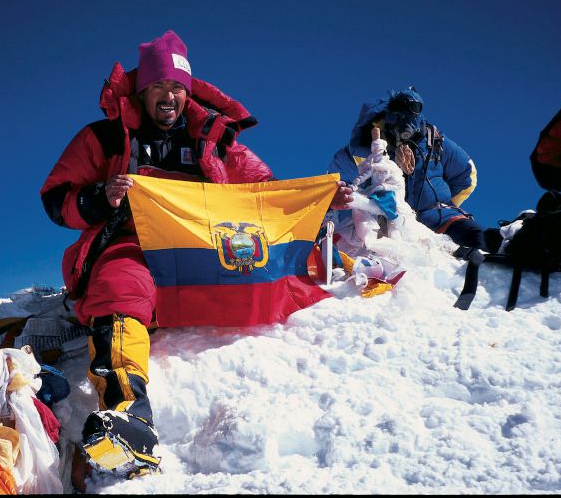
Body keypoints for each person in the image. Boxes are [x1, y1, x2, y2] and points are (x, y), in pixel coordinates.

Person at [40, 30, 353, 480]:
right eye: (160, 87)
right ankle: (130, 417)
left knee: (266, 265)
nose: (170, 96)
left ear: (188, 93)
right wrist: (101, 197)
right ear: (142, 91)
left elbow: (263, 191)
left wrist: (318, 200)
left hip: (206, 246)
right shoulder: (105, 139)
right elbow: (57, 199)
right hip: (133, 243)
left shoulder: (216, 138)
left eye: (178, 88)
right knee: (119, 289)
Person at [328, 87, 485, 251]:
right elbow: (336, 185)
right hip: (387, 223)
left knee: (477, 238)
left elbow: (467, 175)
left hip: (439, 218)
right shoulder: (362, 152)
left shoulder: (434, 143)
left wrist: (442, 203)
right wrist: (340, 198)